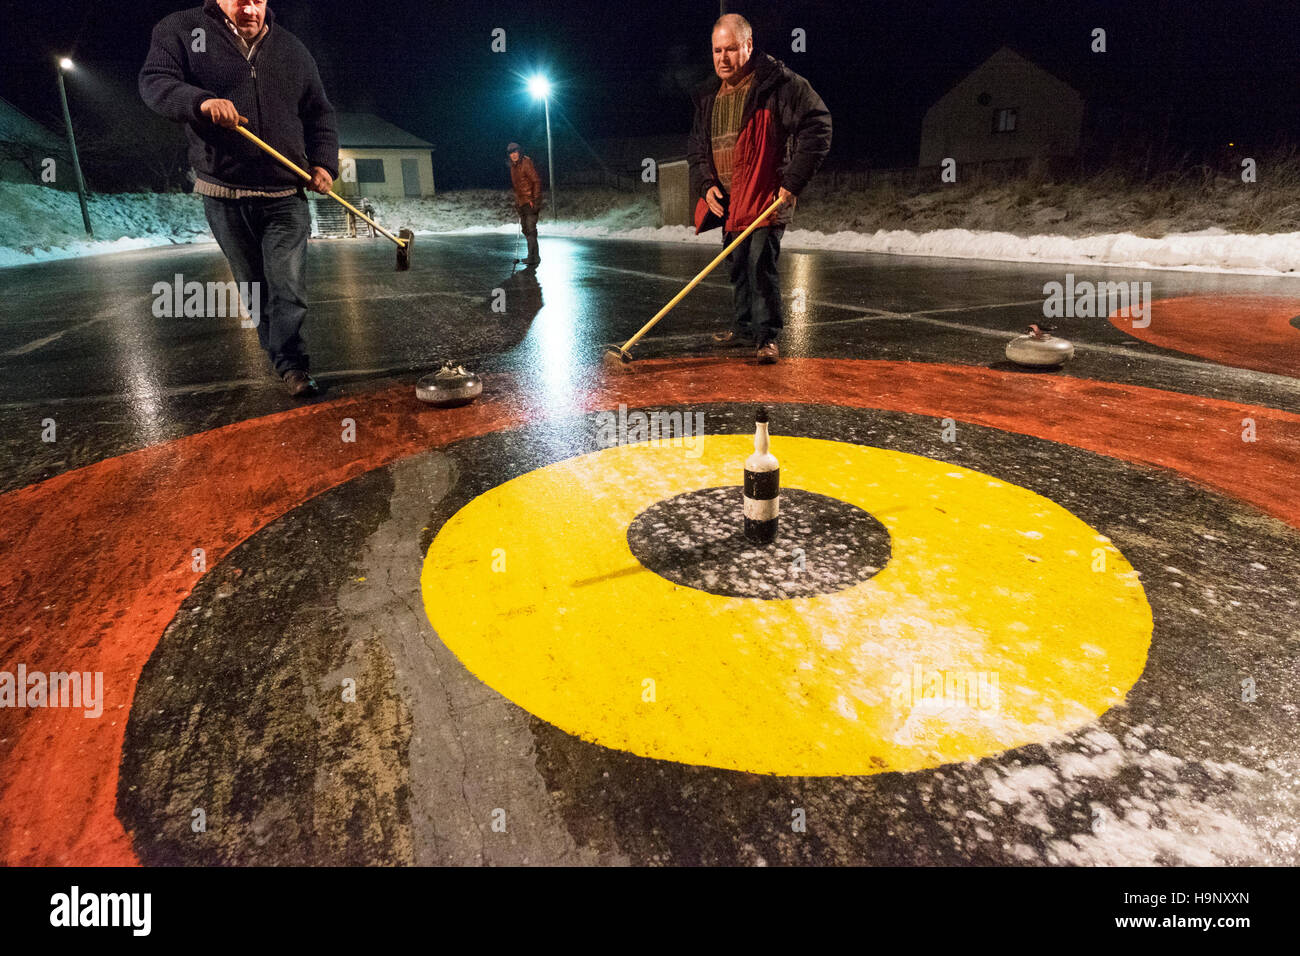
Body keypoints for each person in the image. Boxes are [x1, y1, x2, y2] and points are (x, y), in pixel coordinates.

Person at [140, 0, 339, 397]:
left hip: (286, 192)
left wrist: (324, 164)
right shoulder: (181, 30)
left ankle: (292, 364)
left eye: (259, 1)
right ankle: (282, 356)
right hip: (224, 192)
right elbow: (156, 82)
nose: (251, 9)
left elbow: (320, 115)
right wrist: (199, 101)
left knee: (288, 286)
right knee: (254, 286)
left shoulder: (291, 49)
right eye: (240, 0)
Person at [687, 14, 832, 364]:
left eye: (732, 49)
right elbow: (697, 148)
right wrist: (706, 185)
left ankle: (766, 337)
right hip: (729, 200)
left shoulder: (777, 83)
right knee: (737, 264)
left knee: (758, 263)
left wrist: (791, 183)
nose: (723, 58)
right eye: (717, 50)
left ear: (748, 46)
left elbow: (818, 125)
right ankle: (744, 329)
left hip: (766, 197)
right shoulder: (708, 95)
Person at [507, 142, 543, 266]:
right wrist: (517, 202)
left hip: (530, 201)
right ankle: (533, 255)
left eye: (515, 152)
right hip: (522, 202)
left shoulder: (526, 163)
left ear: (519, 152)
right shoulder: (513, 167)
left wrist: (536, 200)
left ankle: (534, 257)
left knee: (531, 228)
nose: (513, 155)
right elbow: (517, 187)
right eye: (511, 153)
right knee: (525, 229)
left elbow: (536, 181)